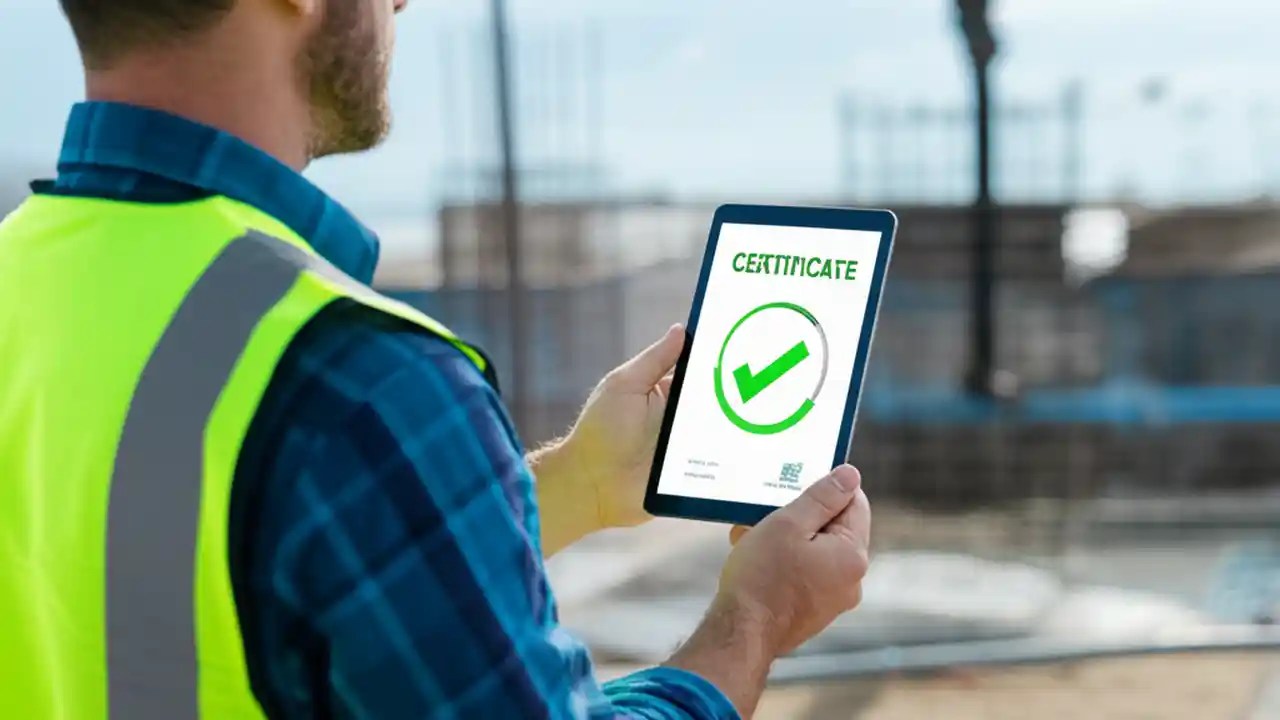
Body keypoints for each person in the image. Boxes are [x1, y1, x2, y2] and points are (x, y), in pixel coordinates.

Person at [0, 0, 872, 718]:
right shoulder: (359, 383)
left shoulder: (19, 275)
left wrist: (578, 482)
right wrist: (753, 617)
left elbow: (194, 570)